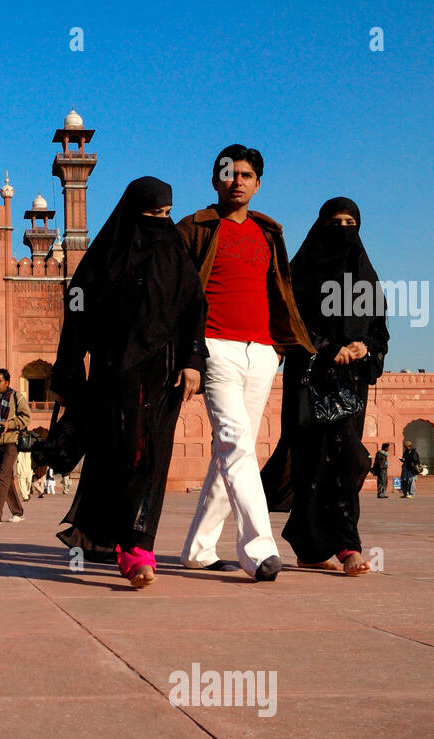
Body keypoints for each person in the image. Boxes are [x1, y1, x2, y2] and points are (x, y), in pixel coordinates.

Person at [50, 176, 208, 586]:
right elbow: (77, 309)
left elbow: (194, 308)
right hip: (115, 373)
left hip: (166, 375)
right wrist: (69, 370)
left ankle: (139, 548)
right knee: (125, 457)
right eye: (153, 213)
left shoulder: (175, 253)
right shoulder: (105, 259)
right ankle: (127, 544)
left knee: (152, 459)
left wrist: (193, 361)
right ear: (133, 212)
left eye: (167, 214)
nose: (161, 221)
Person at [176, 145, 315, 581]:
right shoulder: (194, 229)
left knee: (229, 451)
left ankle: (199, 549)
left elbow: (282, 290)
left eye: (247, 175)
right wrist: (188, 355)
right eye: (229, 173)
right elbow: (177, 294)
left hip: (261, 353)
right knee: (237, 445)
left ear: (258, 183)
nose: (238, 181)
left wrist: (279, 346)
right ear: (215, 179)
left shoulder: (268, 232)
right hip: (215, 347)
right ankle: (258, 549)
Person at [260, 197, 389, 576]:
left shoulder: (366, 277)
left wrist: (366, 350)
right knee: (314, 464)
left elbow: (380, 331)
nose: (344, 229)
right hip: (311, 381)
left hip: (351, 385)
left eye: (350, 222)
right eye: (335, 222)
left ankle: (329, 542)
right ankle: (330, 546)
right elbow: (291, 324)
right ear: (321, 226)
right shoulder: (302, 273)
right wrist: (330, 349)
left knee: (349, 459)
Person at [0, 368, 31, 524]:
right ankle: (18, 512)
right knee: (5, 478)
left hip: (11, 442)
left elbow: (26, 418)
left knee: (2, 476)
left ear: (7, 382)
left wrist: (9, 424)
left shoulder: (16, 397)